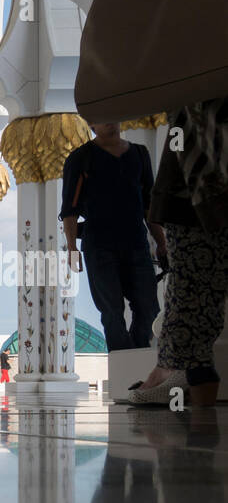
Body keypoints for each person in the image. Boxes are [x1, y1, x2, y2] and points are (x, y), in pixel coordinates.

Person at [100, 0, 228, 407]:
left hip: (208, 69)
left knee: (196, 210)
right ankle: (187, 364)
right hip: (197, 81)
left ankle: (183, 364)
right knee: (187, 211)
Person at [60, 121, 164, 351]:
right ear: (92, 124)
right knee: (112, 311)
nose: (108, 121)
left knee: (148, 307)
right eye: (101, 117)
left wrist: (162, 243)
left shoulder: (139, 154)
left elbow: (150, 205)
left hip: (137, 244)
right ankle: (123, 362)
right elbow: (69, 211)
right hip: (99, 246)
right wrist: (71, 250)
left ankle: (135, 357)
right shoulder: (81, 158)